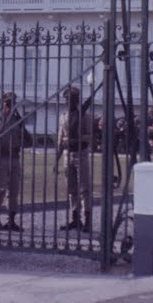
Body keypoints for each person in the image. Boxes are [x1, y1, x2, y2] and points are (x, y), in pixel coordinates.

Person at [0, 91, 31, 231]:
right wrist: (4, 116)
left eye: (12, 104)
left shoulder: (18, 121)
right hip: (1, 157)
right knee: (0, 190)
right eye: (7, 104)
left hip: (14, 157)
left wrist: (20, 122)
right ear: (2, 105)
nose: (9, 106)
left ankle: (11, 221)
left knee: (13, 191)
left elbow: (27, 140)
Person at [55, 86, 94, 232]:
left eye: (71, 99)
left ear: (76, 101)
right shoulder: (63, 117)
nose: (68, 102)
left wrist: (76, 138)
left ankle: (88, 220)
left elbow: (90, 137)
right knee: (71, 189)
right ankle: (75, 219)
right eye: (67, 99)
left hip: (81, 154)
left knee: (84, 189)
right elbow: (60, 139)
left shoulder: (84, 116)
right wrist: (56, 159)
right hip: (67, 155)